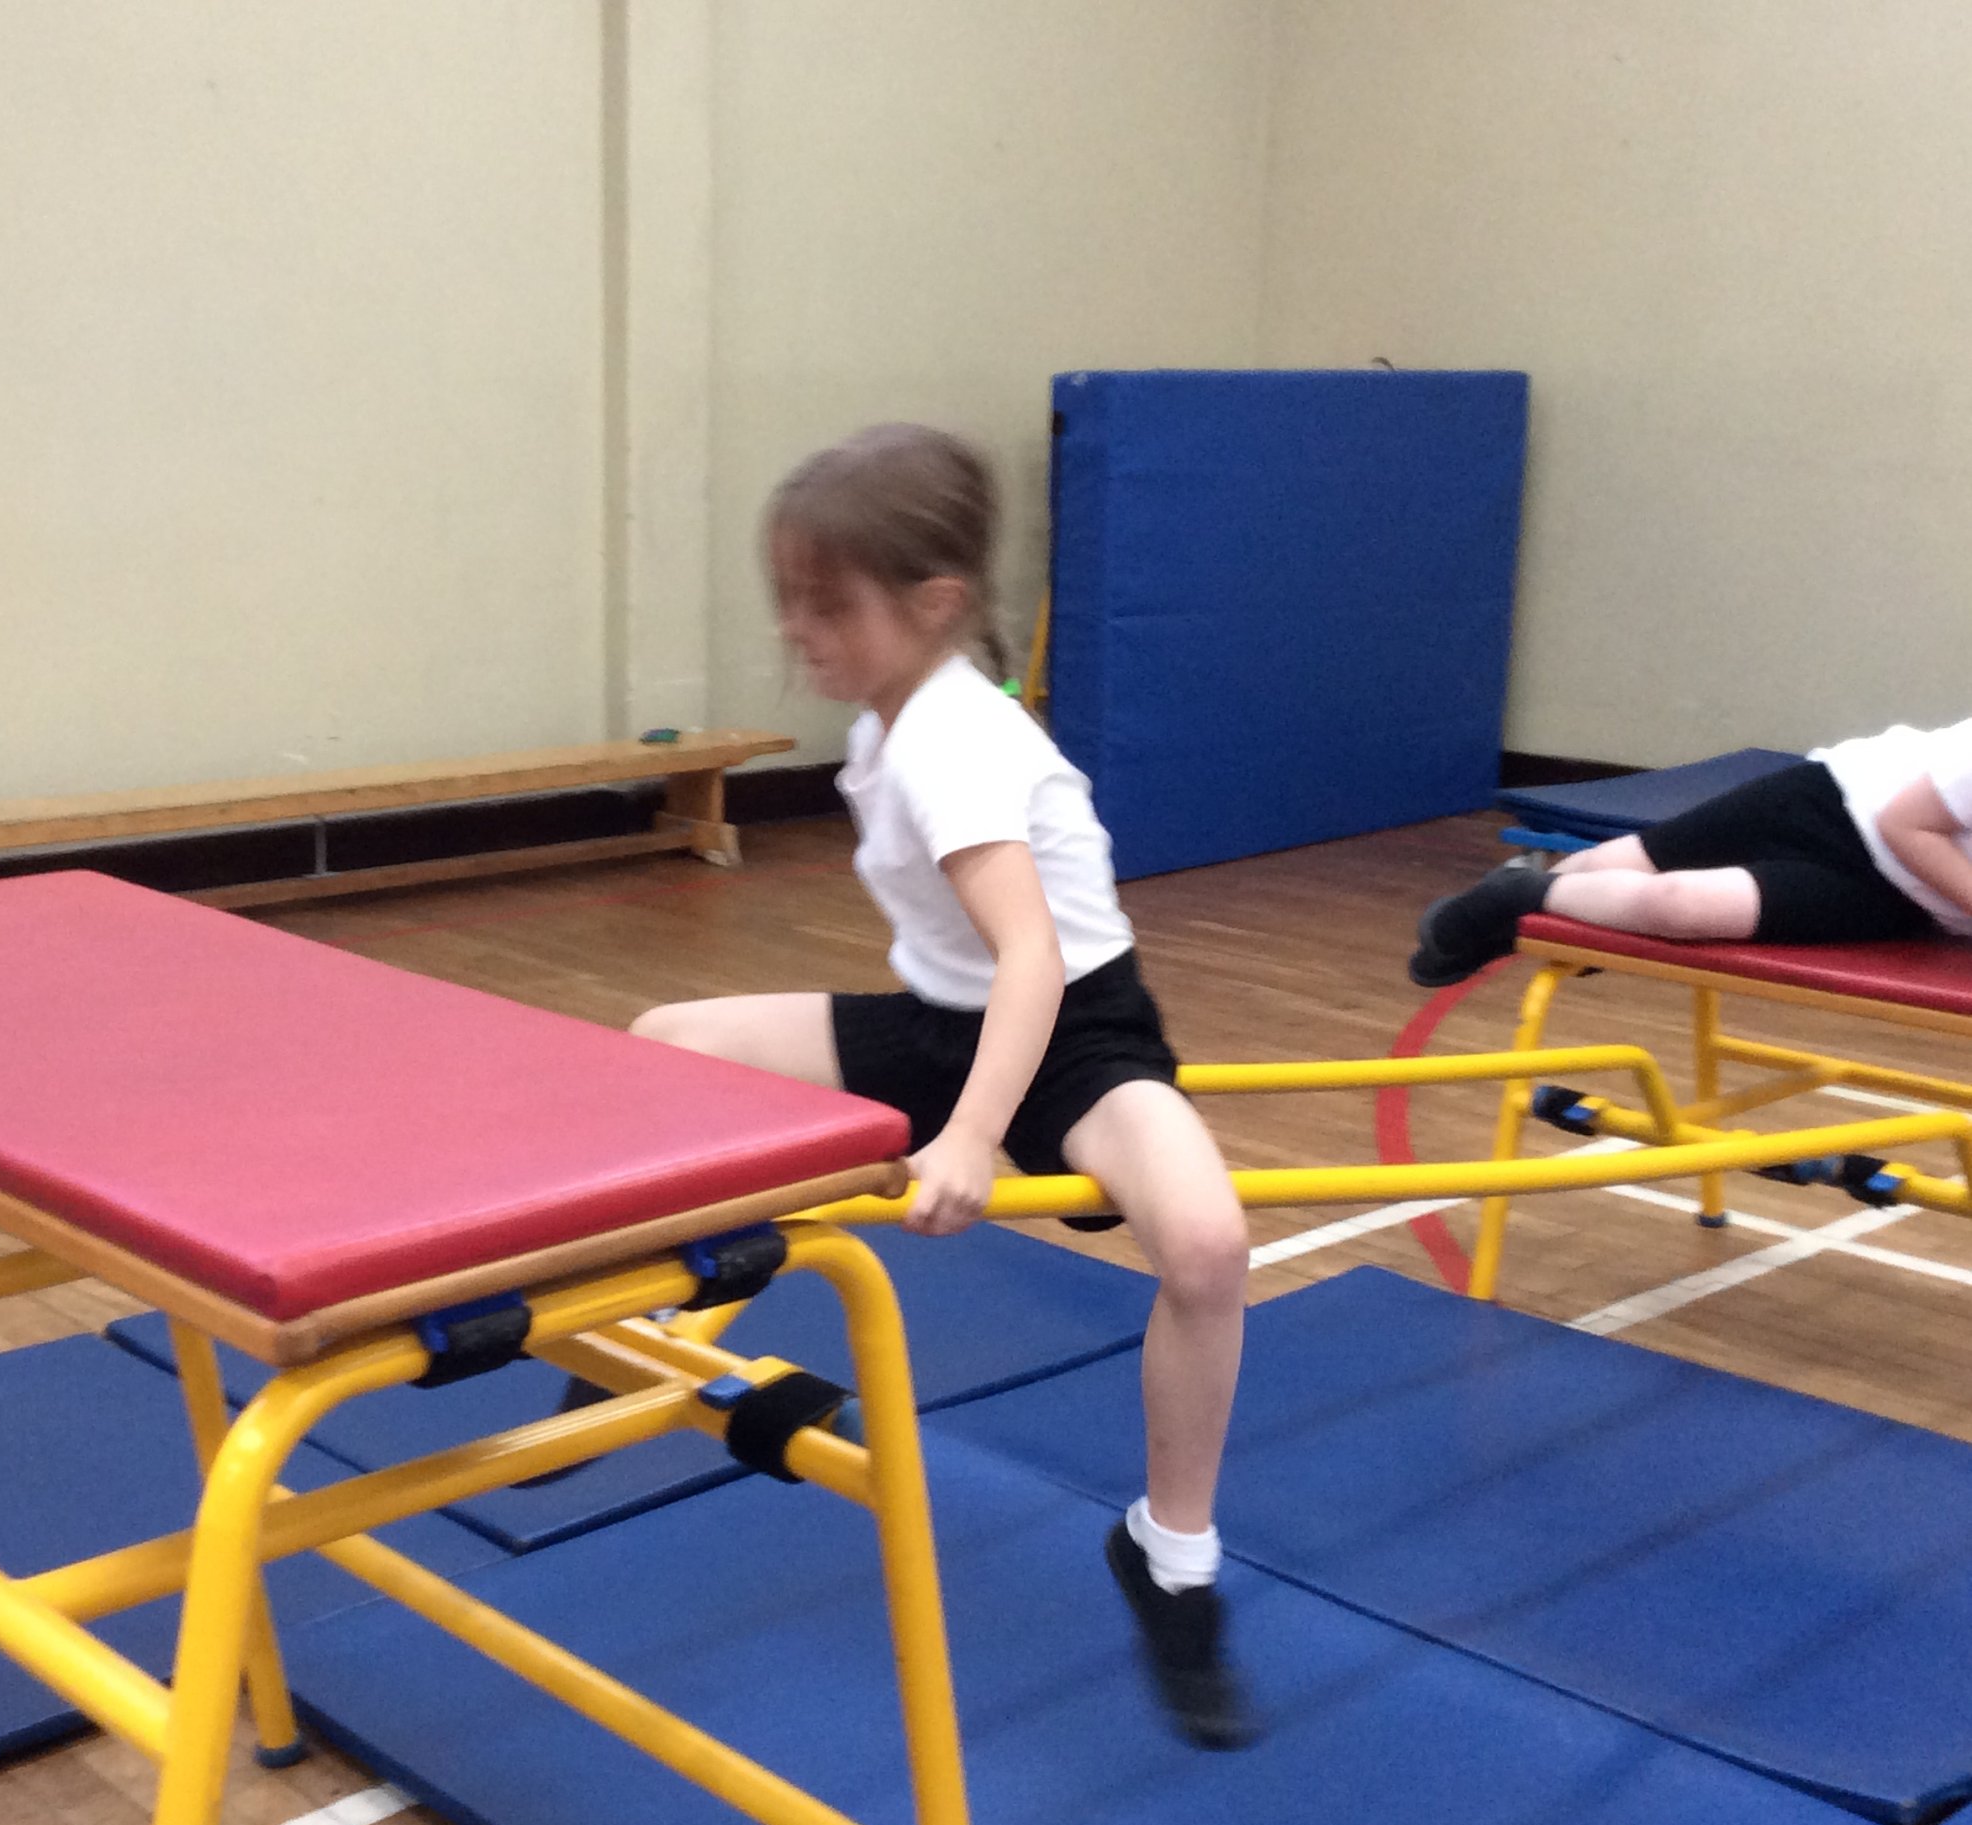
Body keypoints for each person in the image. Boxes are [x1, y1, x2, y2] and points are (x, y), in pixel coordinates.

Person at [630, 423, 1256, 1747]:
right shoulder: (893, 714)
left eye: (829, 603)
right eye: (787, 598)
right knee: (665, 1041)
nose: (800, 630)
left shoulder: (952, 741)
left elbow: (1033, 952)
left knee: (1204, 1241)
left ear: (934, 604)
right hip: (940, 1019)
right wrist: (949, 1090)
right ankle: (669, 1308)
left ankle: (1171, 1548)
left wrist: (974, 1136)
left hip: (1074, 1033)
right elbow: (968, 972)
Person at [1409, 723, 1972, 987]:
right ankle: (1511, 899)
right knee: (1605, 868)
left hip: (1895, 895)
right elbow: (1908, 826)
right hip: (1839, 799)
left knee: (1676, 905)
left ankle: (1522, 896)